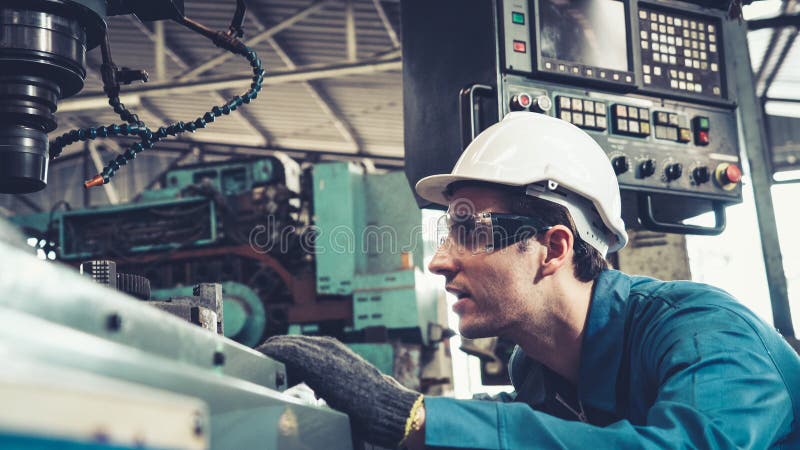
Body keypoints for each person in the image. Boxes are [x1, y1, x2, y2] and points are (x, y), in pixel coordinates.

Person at [258, 112, 800, 449]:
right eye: (446, 234)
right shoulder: (538, 369)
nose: (439, 262)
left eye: (470, 232)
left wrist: (411, 418)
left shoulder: (704, 333)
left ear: (554, 248)